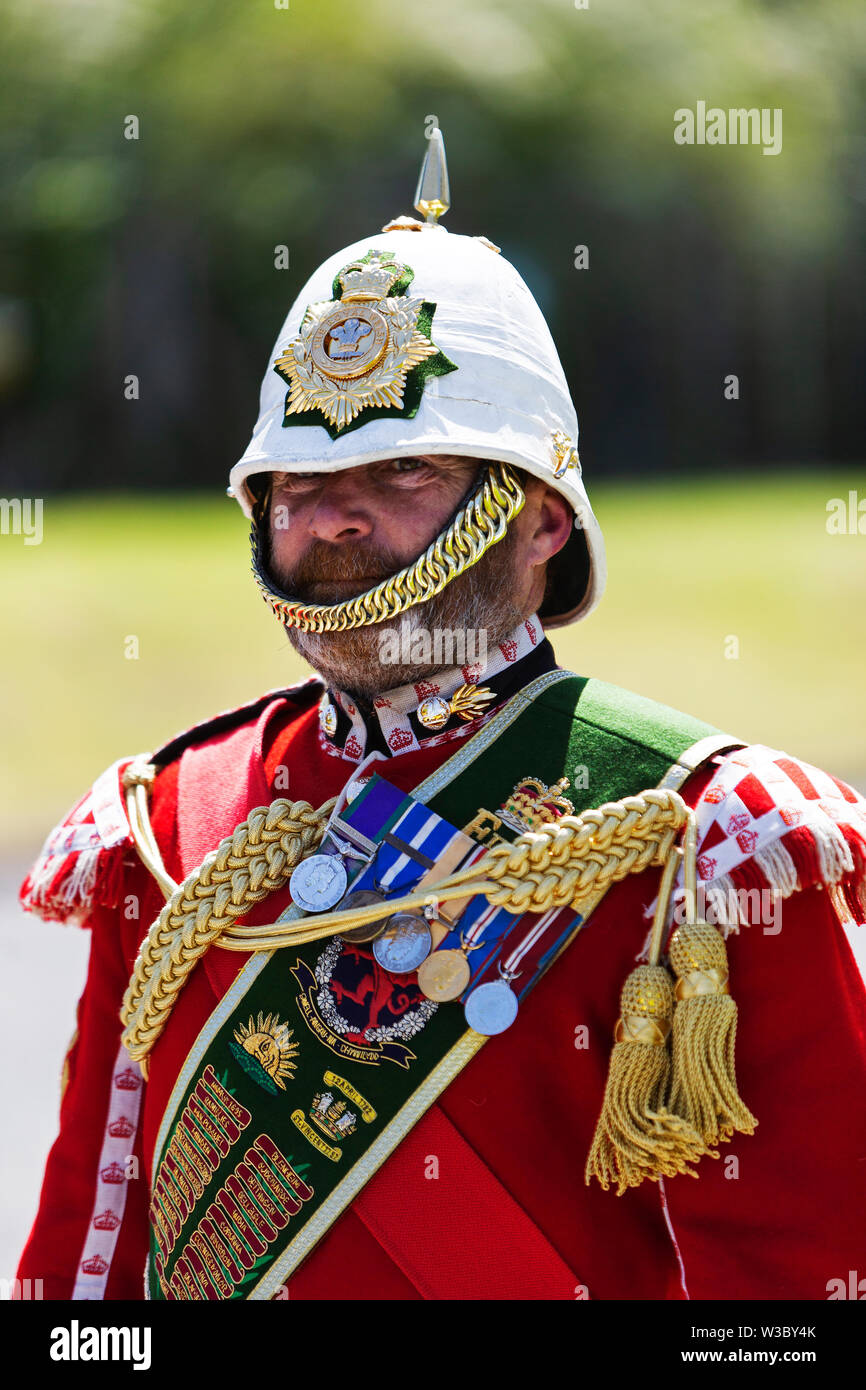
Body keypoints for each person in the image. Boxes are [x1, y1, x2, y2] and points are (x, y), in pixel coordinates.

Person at [16, 133, 866, 1302]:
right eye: (298, 488)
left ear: (538, 522)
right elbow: (89, 1261)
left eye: (406, 473)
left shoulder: (702, 839)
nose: (339, 520)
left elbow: (798, 1282)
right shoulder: (167, 827)